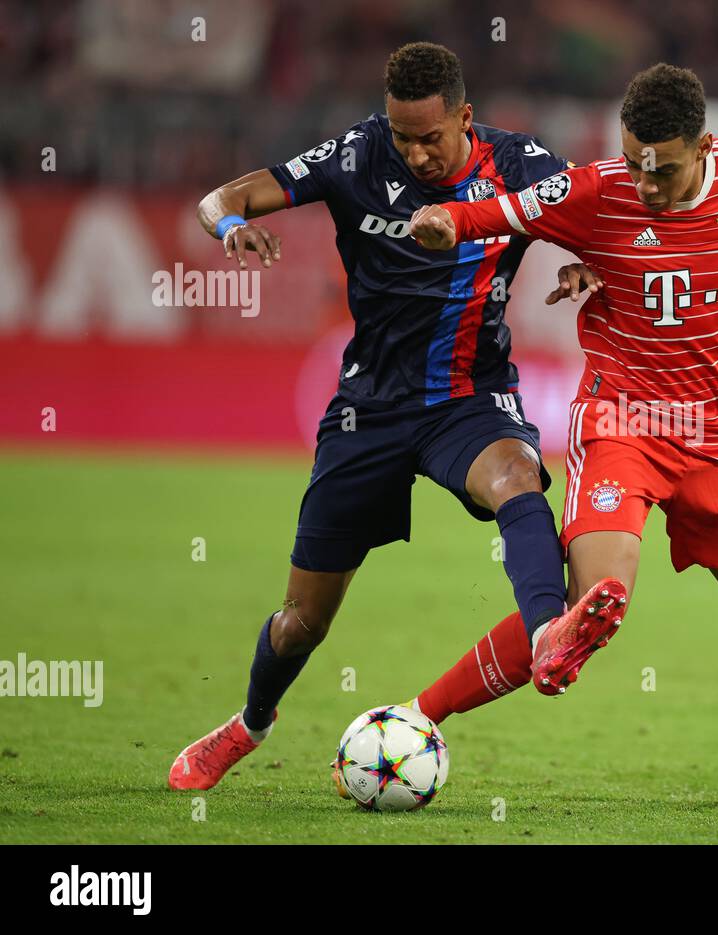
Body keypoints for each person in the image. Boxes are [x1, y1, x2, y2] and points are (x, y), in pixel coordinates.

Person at [407, 63, 718, 813]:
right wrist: (443, 221)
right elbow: (497, 212)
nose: (644, 185)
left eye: (664, 170)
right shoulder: (595, 189)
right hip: (623, 423)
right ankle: (419, 717)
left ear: (704, 146)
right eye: (635, 163)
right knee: (592, 599)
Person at [168, 42, 626, 793]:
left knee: (518, 477)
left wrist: (591, 264)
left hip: (468, 398)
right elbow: (223, 199)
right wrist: (228, 229)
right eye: (402, 136)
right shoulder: (357, 154)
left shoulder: (521, 164)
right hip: (368, 409)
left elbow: (608, 223)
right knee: (302, 621)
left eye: (429, 138)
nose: (414, 153)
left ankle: (549, 635)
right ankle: (249, 722)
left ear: (465, 118)